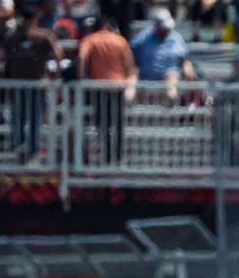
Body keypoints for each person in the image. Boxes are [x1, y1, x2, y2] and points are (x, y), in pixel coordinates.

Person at [0, 6, 61, 163]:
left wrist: (55, 75)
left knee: (29, 119)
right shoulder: (16, 37)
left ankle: (28, 151)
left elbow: (57, 55)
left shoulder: (40, 37)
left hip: (34, 85)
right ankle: (22, 150)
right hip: (22, 85)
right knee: (22, 119)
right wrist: (56, 75)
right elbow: (57, 56)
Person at [79, 16, 136, 164]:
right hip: (118, 87)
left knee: (101, 123)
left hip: (99, 88)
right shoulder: (120, 41)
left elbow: (81, 58)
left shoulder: (90, 40)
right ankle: (117, 155)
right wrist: (130, 86)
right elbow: (130, 66)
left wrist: (81, 79)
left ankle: (109, 151)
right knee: (118, 123)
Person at [131, 8, 194, 100]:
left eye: (168, 29)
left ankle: (171, 102)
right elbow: (130, 55)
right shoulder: (142, 38)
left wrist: (187, 68)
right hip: (145, 78)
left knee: (172, 79)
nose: (167, 31)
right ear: (156, 27)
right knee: (132, 78)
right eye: (164, 29)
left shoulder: (177, 38)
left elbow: (185, 59)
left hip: (169, 77)